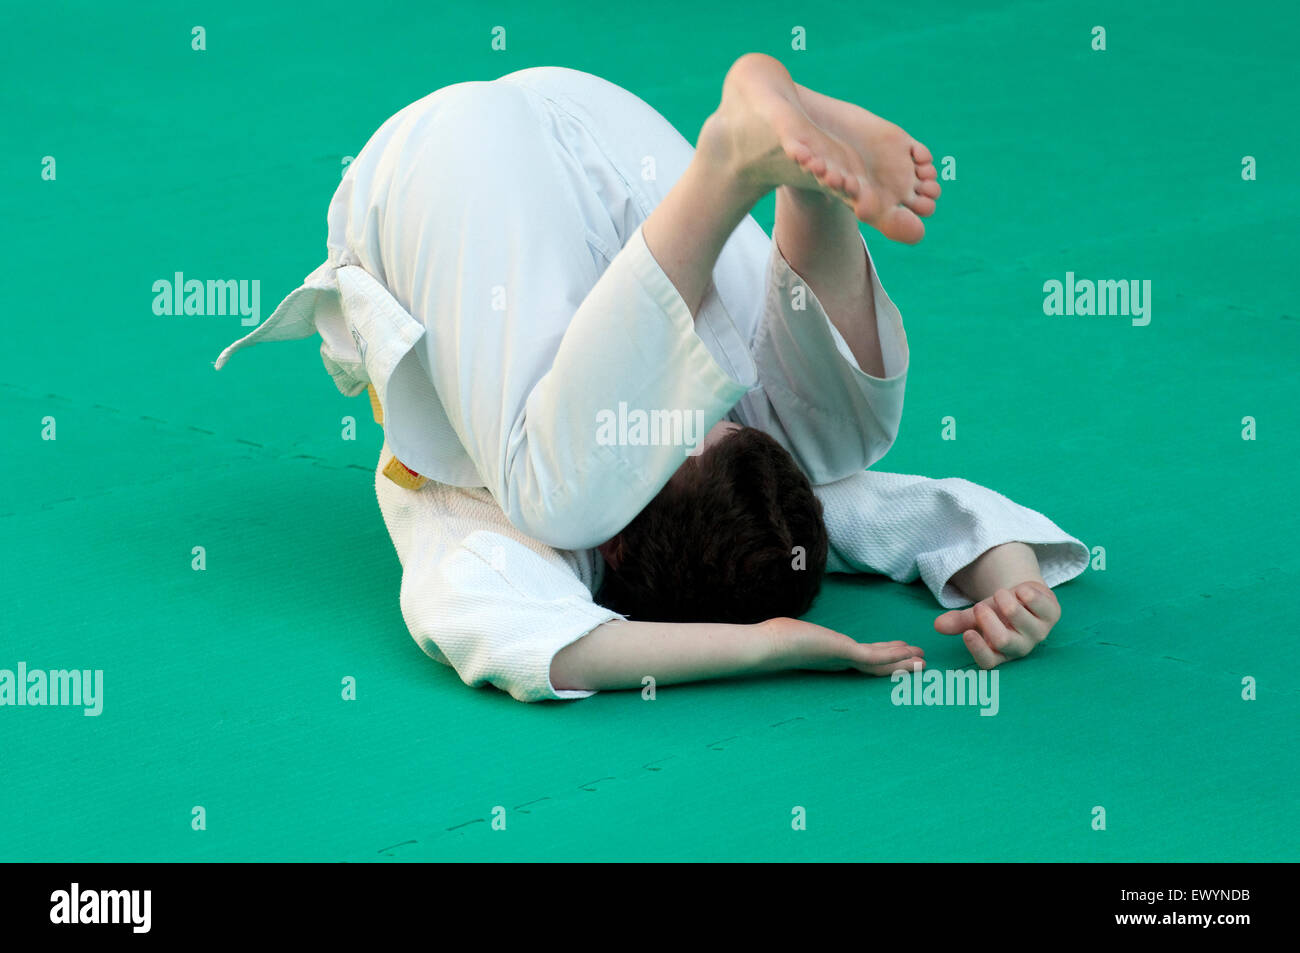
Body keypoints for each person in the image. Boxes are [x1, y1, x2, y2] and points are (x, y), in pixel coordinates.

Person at [216, 54, 1088, 702]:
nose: (700, 405)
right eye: (717, 421)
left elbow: (549, 649)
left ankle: (737, 167)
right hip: (598, 147)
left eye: (676, 431)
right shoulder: (738, 485)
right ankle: (784, 180)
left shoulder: (512, 542)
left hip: (456, 165)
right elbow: (919, 509)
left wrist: (764, 644)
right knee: (834, 446)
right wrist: (1011, 580)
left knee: (557, 501)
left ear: (618, 551)